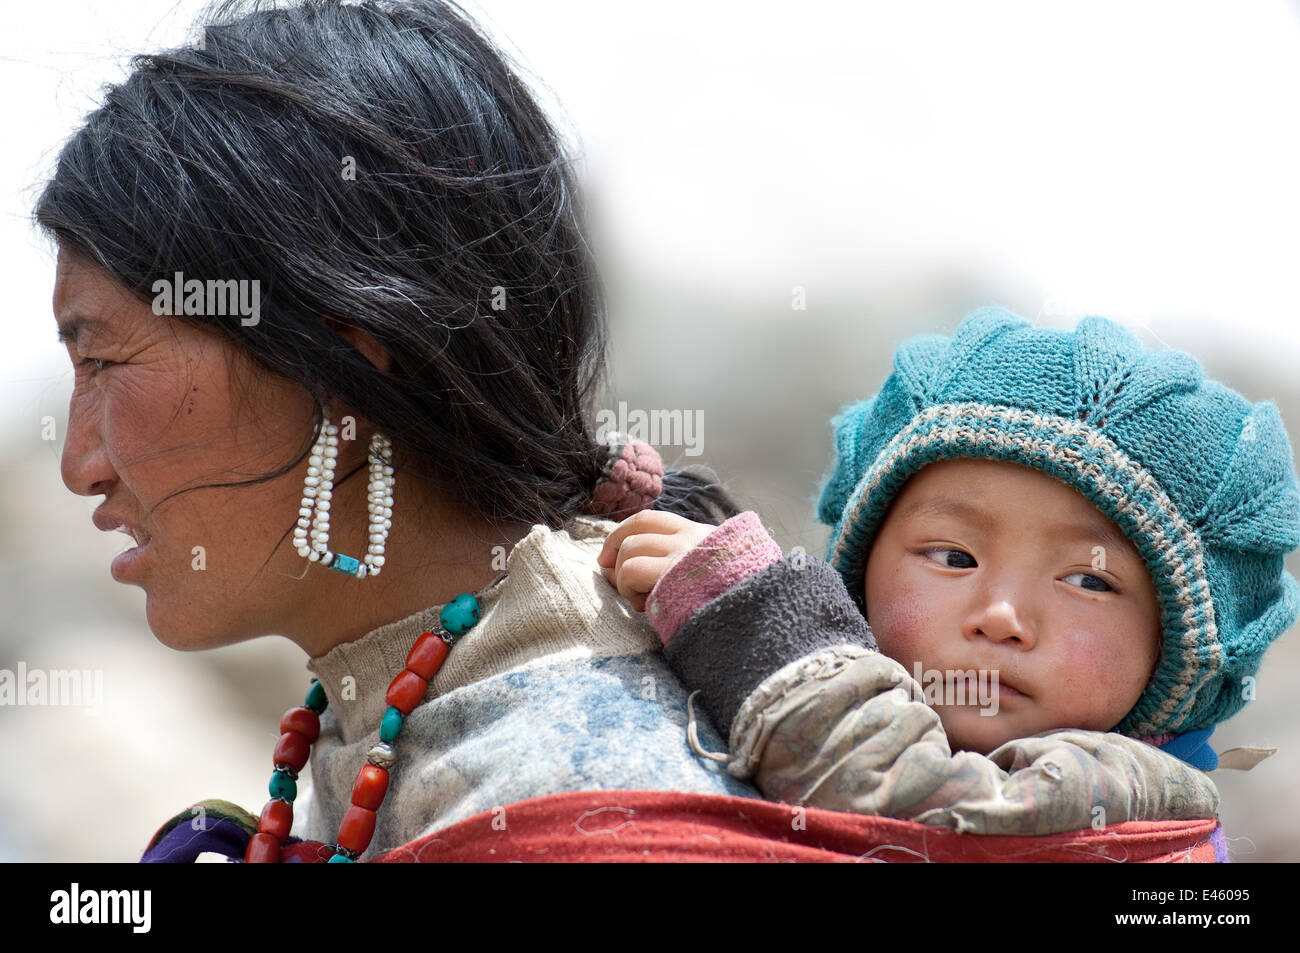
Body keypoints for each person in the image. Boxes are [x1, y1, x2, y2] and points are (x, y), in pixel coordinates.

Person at [37, 0, 759, 863]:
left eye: (106, 363)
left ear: (336, 371)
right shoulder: (406, 716)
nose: (81, 466)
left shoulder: (590, 803)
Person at [601, 308, 1300, 850]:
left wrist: (754, 616)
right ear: (857, 576)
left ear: (1176, 658)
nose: (1000, 615)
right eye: (953, 557)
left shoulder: (1129, 793)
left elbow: (920, 811)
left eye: (1088, 582)